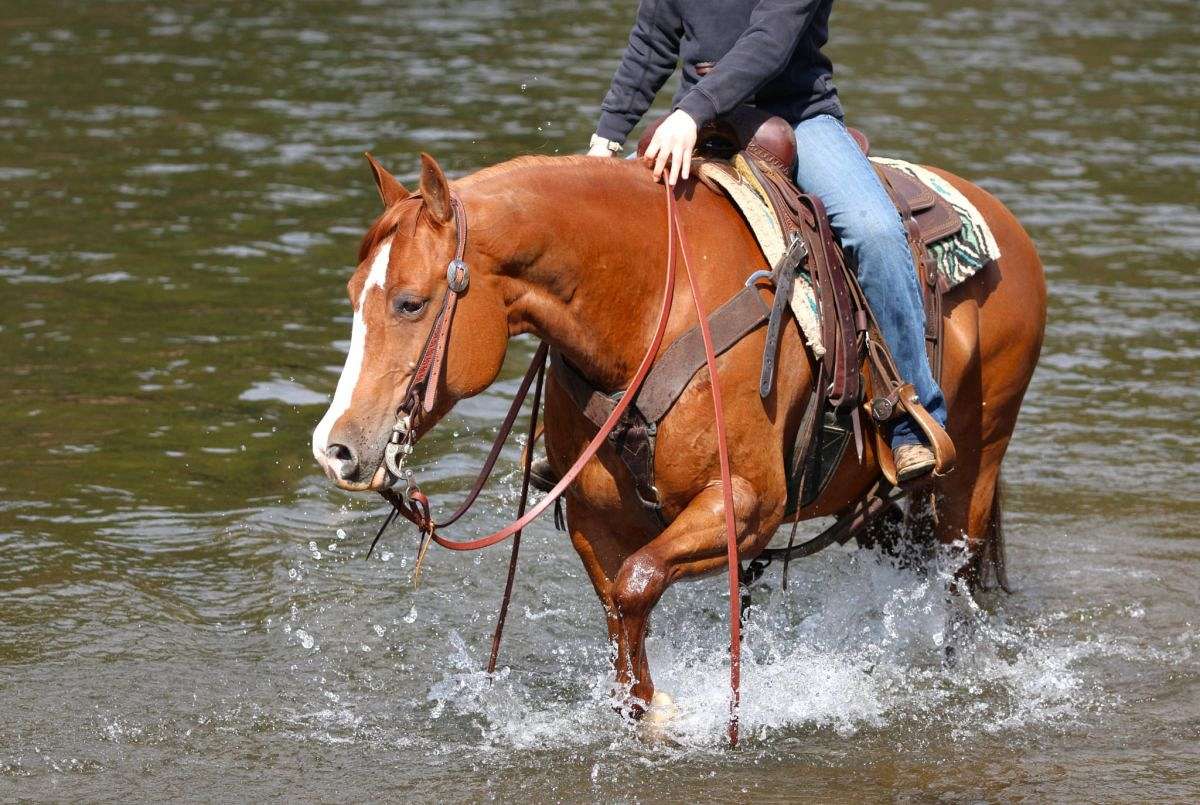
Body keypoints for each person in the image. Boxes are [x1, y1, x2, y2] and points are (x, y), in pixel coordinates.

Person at [585, 0, 946, 481]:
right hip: (698, 120)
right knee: (604, 230)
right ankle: (579, 425)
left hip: (796, 118)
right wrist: (604, 141)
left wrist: (691, 112)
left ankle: (911, 419)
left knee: (874, 232)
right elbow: (651, 43)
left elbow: (770, 42)